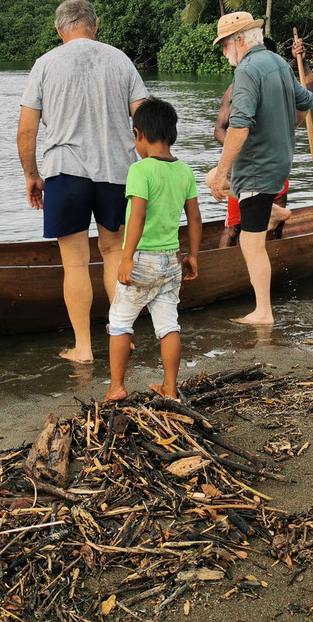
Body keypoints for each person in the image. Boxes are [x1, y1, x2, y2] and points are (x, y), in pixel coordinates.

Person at [17, 0, 148, 363]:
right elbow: (145, 119)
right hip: (117, 172)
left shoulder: (45, 64)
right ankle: (121, 337)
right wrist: (151, 169)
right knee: (114, 254)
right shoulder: (120, 59)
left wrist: (32, 176)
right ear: (96, 24)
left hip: (64, 172)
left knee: (75, 263)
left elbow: (26, 131)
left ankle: (84, 349)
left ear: (59, 30)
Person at [206, 12, 313, 325]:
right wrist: (285, 129)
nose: (225, 52)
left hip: (256, 167)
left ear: (239, 41)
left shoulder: (248, 69)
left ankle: (263, 312)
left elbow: (239, 126)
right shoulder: (278, 62)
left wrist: (226, 171)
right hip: (278, 162)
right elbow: (306, 101)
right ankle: (274, 212)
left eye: (225, 45)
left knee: (250, 242)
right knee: (211, 177)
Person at [104, 98, 201, 401]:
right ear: (171, 134)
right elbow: (195, 217)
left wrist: (126, 257)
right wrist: (193, 255)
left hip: (142, 259)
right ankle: (170, 387)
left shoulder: (140, 169)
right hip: (171, 261)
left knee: (120, 322)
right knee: (168, 324)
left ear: (140, 135)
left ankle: (117, 387)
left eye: (135, 137)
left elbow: (138, 215)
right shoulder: (184, 171)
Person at [212, 35, 313, 247]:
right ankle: (229, 268)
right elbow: (219, 130)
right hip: (245, 168)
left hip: (274, 168)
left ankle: (273, 265)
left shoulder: (281, 80)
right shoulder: (239, 87)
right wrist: (240, 150)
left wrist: (304, 62)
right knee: (234, 226)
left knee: (274, 225)